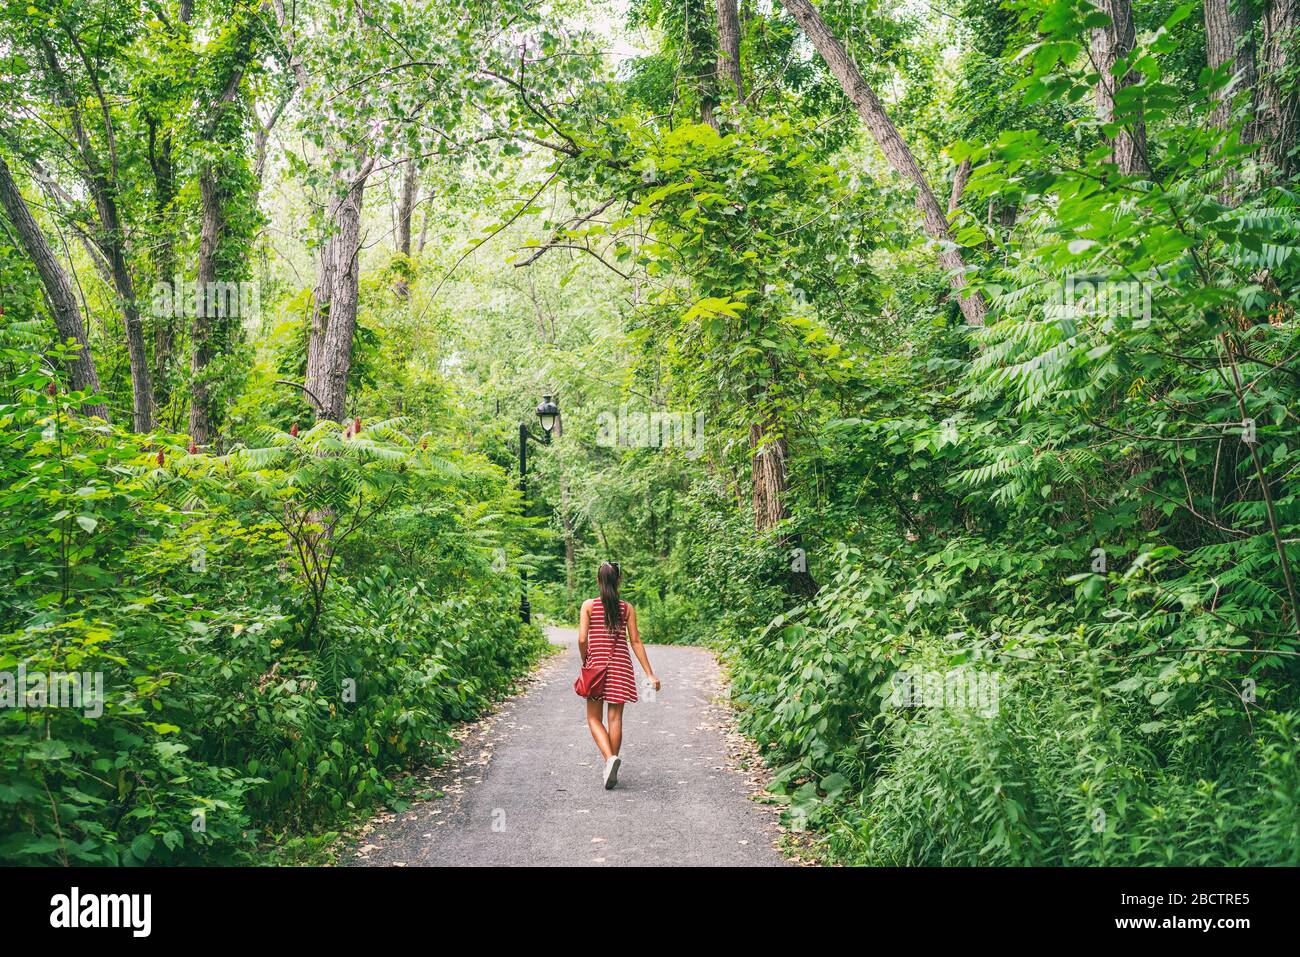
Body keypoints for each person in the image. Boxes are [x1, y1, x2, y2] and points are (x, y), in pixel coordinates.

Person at [578, 562, 660, 789]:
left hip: (596, 667)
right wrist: (650, 674)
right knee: (615, 718)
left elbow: (582, 639)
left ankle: (610, 760)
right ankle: (611, 765)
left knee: (594, 718)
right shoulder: (627, 608)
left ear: (598, 581)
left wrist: (586, 660)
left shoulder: (589, 606)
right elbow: (635, 641)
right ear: (619, 581)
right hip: (621, 666)